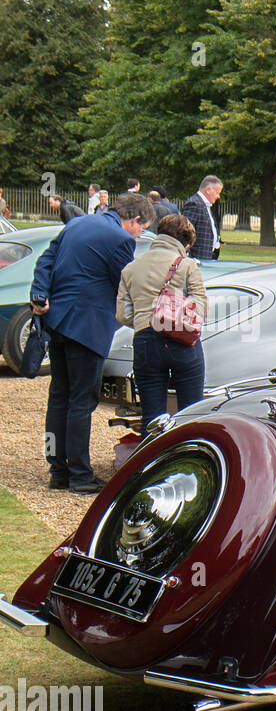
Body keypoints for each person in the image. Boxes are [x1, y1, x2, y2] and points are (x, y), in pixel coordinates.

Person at [29, 192, 155, 494]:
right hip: (87, 327)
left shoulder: (77, 223)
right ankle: (80, 475)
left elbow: (46, 259)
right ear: (134, 220)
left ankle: (57, 469)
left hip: (57, 320)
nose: (140, 234)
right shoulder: (120, 240)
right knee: (81, 402)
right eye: (142, 228)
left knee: (59, 396)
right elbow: (124, 284)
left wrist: (39, 293)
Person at [116, 213, 208, 426]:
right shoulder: (186, 265)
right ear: (185, 243)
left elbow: (123, 315)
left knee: (152, 418)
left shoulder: (130, 268)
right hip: (181, 341)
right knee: (190, 414)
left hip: (145, 341)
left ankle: (152, 456)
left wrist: (146, 320)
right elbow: (201, 307)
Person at [181, 175, 224, 259]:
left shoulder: (205, 205)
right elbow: (184, 232)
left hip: (207, 256)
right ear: (208, 190)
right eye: (217, 193)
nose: (218, 196)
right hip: (197, 258)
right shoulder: (194, 204)